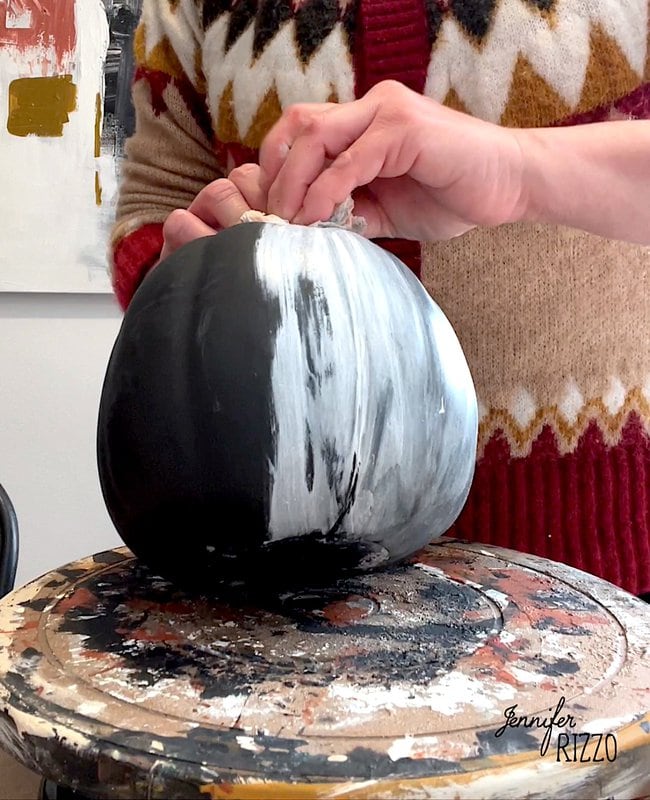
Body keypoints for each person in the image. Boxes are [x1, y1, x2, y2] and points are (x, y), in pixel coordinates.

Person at [111, 0, 650, 598]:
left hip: (601, 557)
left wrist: (518, 169)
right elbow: (155, 198)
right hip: (242, 574)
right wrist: (188, 297)